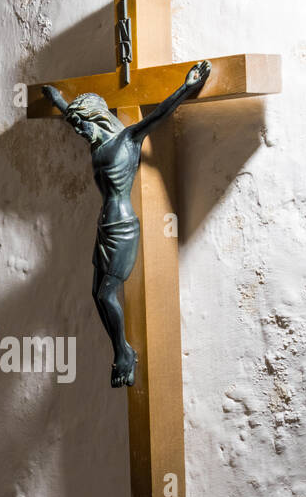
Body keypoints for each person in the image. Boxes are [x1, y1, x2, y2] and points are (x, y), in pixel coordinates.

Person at [43, 60, 211, 386]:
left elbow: (160, 115)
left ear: (96, 117)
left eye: (81, 123)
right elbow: (72, 117)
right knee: (97, 294)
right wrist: (58, 101)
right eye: (76, 124)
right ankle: (120, 350)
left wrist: (188, 87)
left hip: (122, 227)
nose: (77, 129)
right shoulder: (95, 140)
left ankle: (123, 353)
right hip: (104, 227)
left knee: (107, 295)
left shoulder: (128, 139)